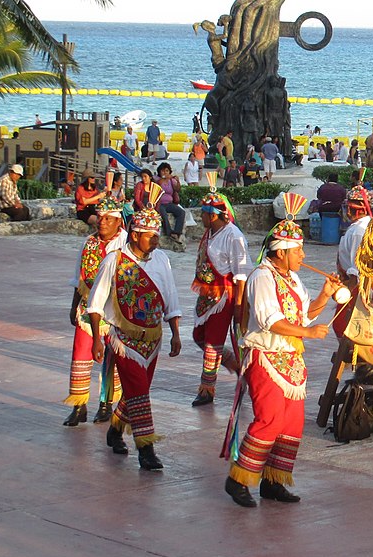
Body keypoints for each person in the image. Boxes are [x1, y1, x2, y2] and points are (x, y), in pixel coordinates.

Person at [220, 206, 338, 508]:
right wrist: (308, 334)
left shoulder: (293, 279)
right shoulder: (261, 277)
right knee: (269, 420)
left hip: (291, 361)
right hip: (266, 356)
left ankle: (273, 481)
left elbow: (302, 315)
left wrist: (324, 295)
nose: (303, 256)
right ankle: (239, 478)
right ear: (282, 252)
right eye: (298, 250)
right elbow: (270, 320)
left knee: (292, 424)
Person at [87, 207, 182, 470]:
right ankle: (146, 449)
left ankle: (115, 430)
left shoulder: (162, 259)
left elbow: (170, 295)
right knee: (139, 392)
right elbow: (95, 305)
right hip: (124, 341)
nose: (155, 240)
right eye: (150, 236)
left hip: (153, 338)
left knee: (136, 392)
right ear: (134, 235)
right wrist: (97, 339)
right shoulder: (113, 261)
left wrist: (175, 332)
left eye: (156, 235)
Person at [62, 197, 127, 426]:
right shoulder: (88, 243)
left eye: (108, 218)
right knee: (80, 354)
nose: (102, 222)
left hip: (114, 311)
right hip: (88, 308)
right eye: (100, 218)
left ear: (118, 221)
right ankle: (79, 405)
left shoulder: (125, 244)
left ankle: (106, 403)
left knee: (112, 358)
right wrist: (73, 306)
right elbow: (79, 277)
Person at [191, 188, 252, 407]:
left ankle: (207, 389)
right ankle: (235, 365)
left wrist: (238, 305)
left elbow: (241, 272)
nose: (201, 218)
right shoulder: (209, 233)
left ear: (213, 215)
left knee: (212, 343)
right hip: (207, 294)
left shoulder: (233, 235)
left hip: (224, 295)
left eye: (203, 214)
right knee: (199, 336)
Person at [333, 185, 373, 339]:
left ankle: (355, 355)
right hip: (353, 283)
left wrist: (348, 293)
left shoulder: (359, 231)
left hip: (357, 286)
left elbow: (357, 267)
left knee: (343, 325)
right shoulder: (362, 227)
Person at [155, 163, 186, 245]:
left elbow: (177, 189)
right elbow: (158, 185)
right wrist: (164, 179)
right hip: (159, 203)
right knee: (163, 215)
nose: (165, 173)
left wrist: (177, 181)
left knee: (181, 212)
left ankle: (177, 232)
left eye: (167, 171)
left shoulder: (171, 180)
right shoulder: (157, 179)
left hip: (169, 203)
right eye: (163, 171)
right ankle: (169, 232)